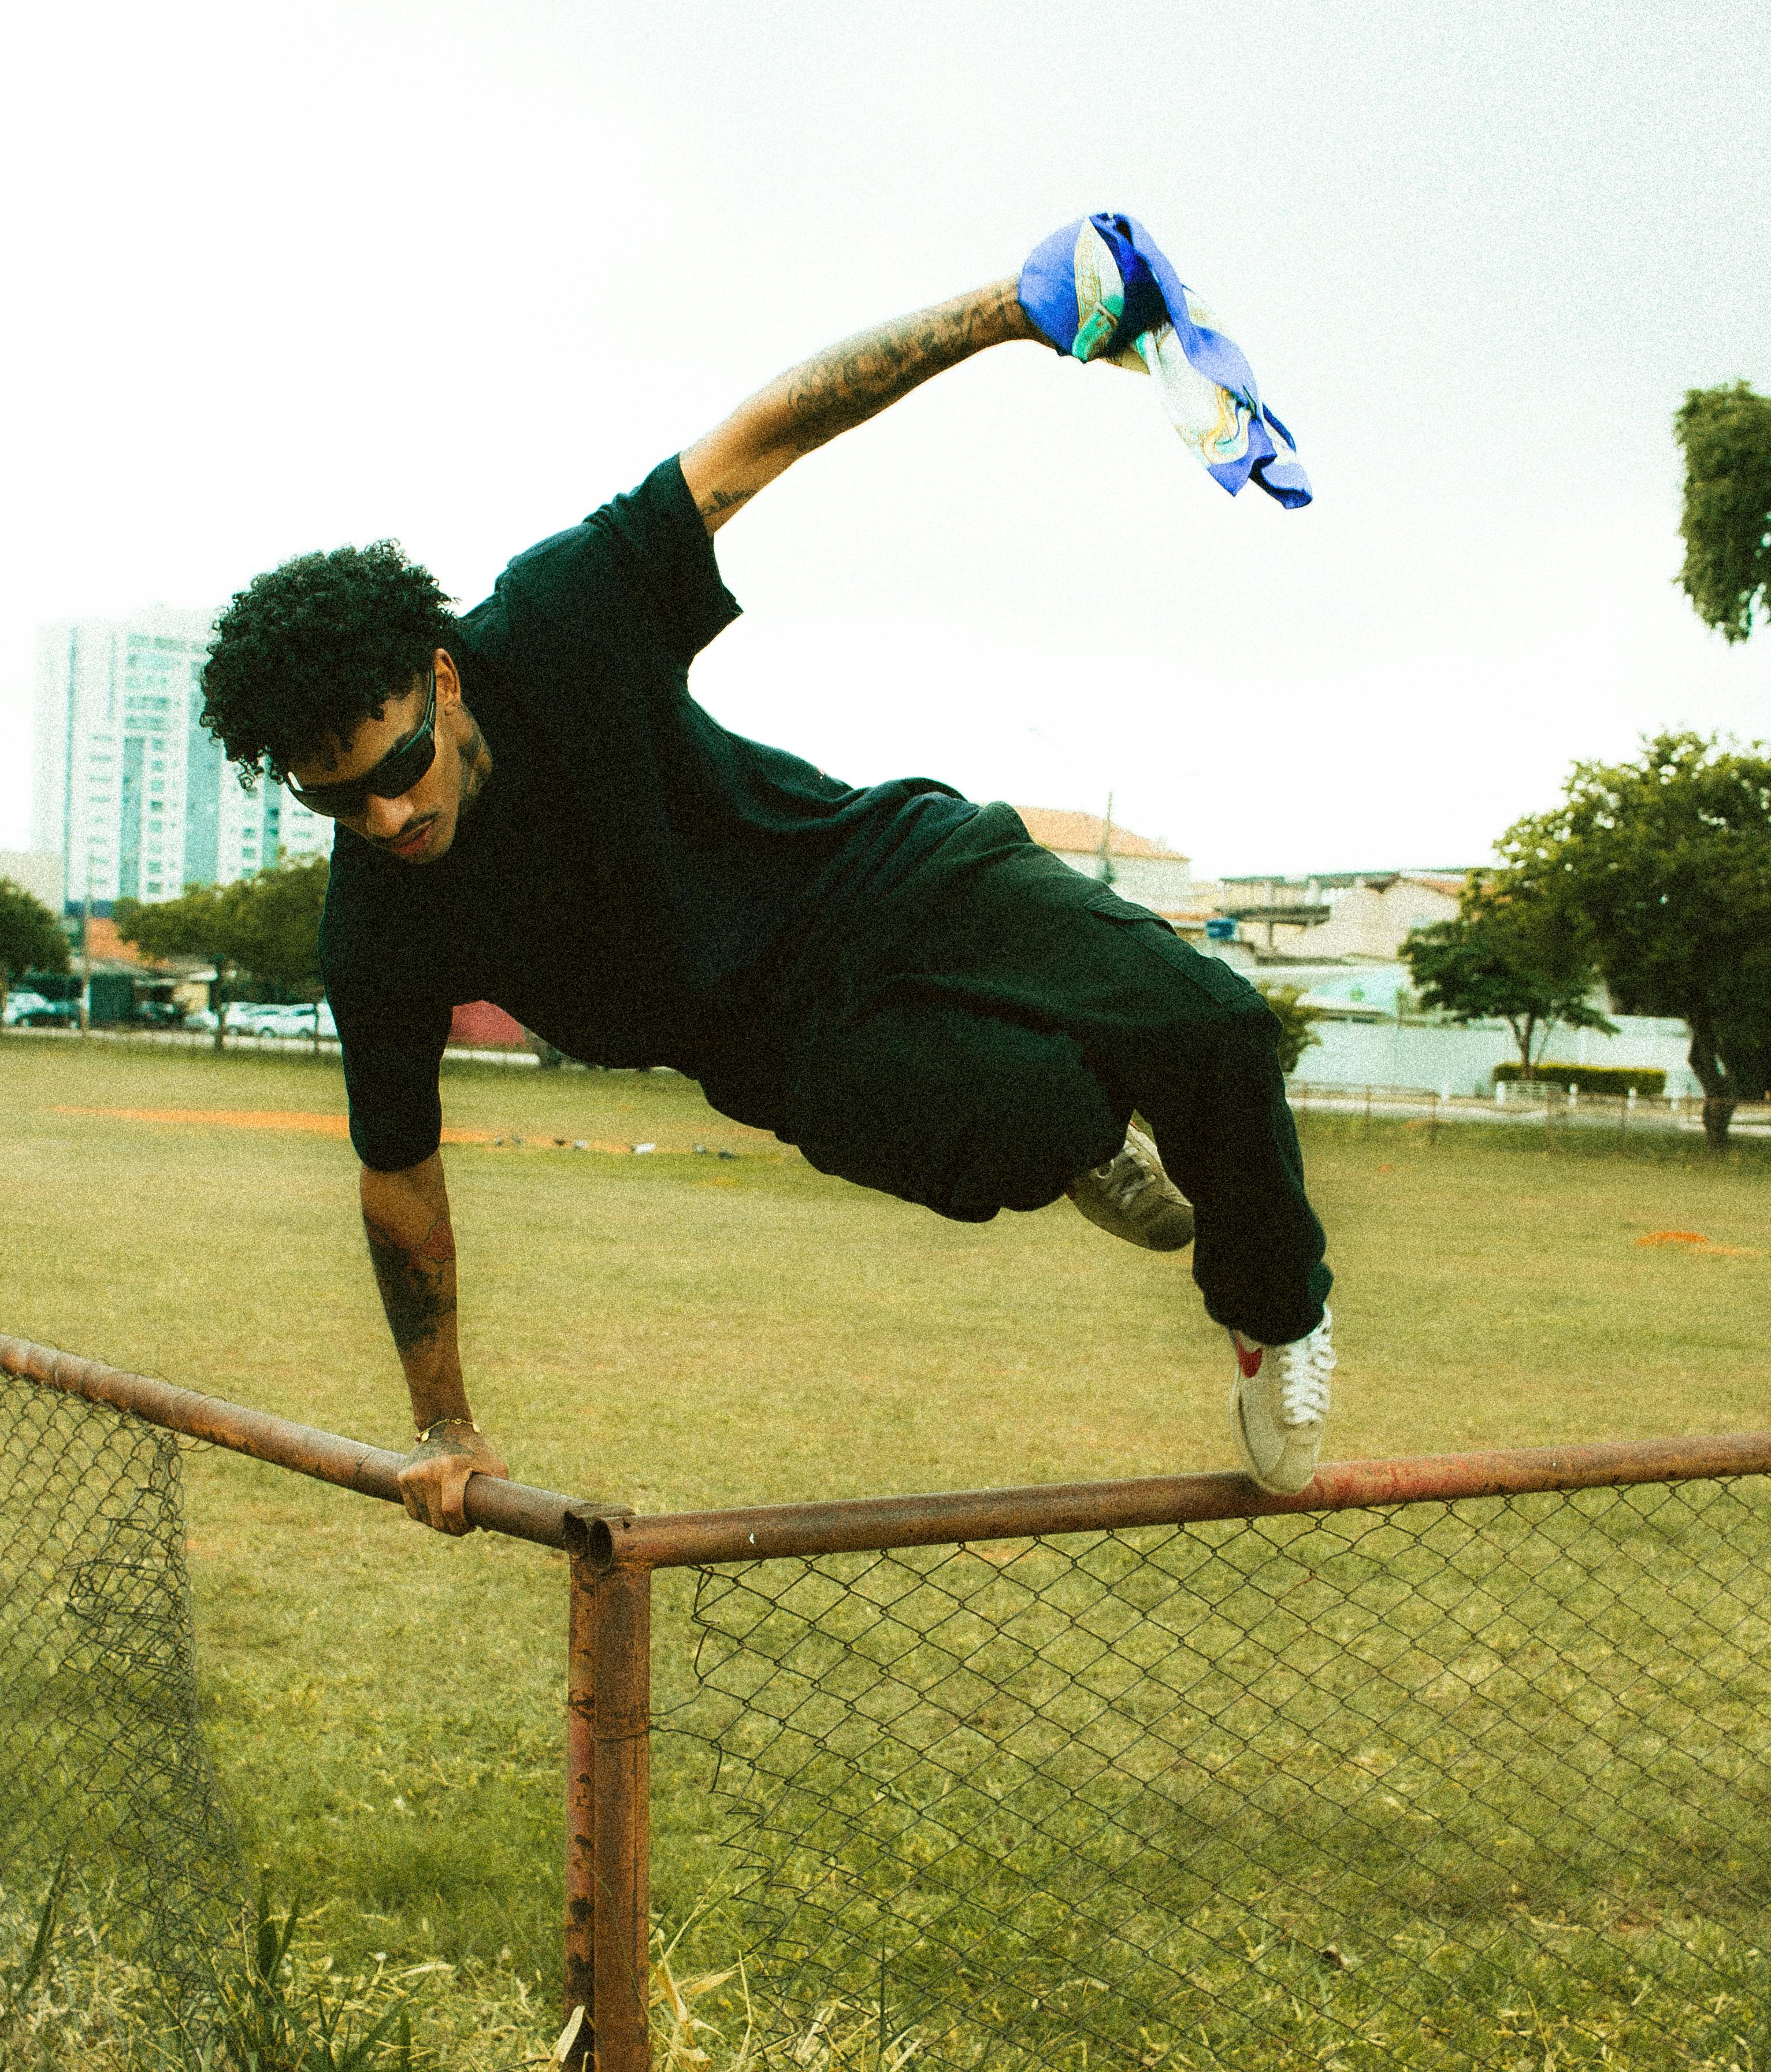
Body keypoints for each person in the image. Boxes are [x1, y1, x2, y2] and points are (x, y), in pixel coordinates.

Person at [196, 221, 1335, 1532]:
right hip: (781, 1042)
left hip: (879, 870)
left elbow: (766, 435)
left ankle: (1272, 1317)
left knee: (1208, 1022)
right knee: (1021, 1123)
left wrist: (1008, 314)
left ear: (443, 680)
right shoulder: (377, 934)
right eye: (338, 798)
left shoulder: (562, 617)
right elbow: (398, 1173)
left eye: (402, 763)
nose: (391, 815)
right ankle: (1086, 1136)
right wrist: (445, 1424)